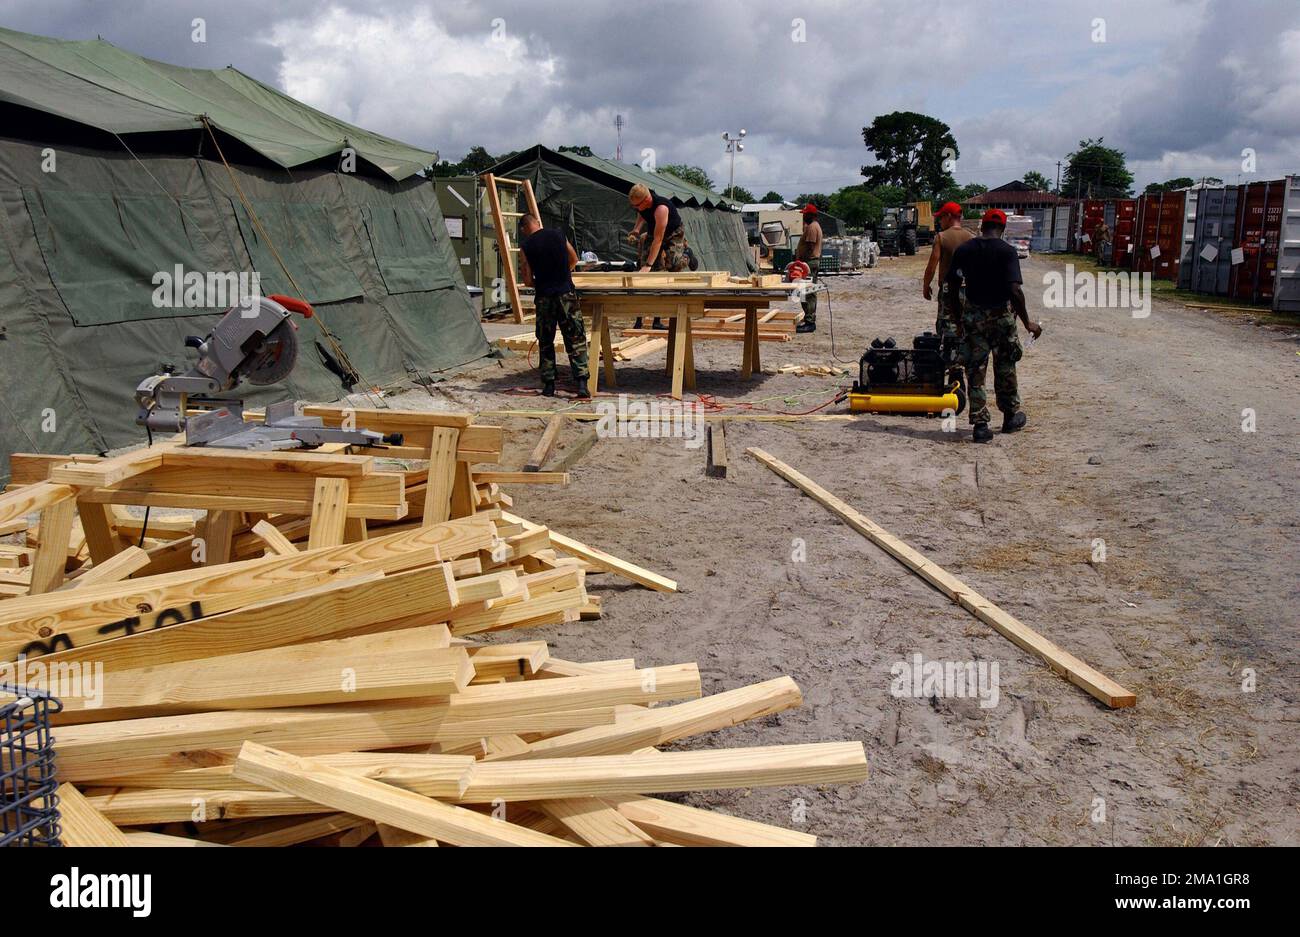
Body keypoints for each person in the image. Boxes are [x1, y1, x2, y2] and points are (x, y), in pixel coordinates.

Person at [944, 209, 1044, 443]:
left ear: (982, 225)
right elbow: (1015, 290)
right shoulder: (1007, 252)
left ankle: (980, 425)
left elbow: (952, 285)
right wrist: (1027, 322)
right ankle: (1009, 417)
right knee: (1006, 366)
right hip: (1001, 318)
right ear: (1004, 227)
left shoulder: (965, 250)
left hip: (973, 318)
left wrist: (958, 321)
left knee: (975, 370)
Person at [518, 214, 589, 398]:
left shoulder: (526, 246)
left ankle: (549, 385)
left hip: (544, 297)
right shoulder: (558, 235)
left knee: (546, 341)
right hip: (566, 294)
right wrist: (563, 274)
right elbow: (573, 258)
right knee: (575, 337)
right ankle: (581, 383)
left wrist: (541, 282)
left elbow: (526, 279)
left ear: (524, 228)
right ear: (538, 223)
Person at [627, 183, 690, 330]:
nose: (636, 208)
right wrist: (636, 229)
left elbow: (659, 240)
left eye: (637, 205)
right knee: (643, 272)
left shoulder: (661, 208)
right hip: (655, 232)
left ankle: (687, 254)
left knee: (672, 265)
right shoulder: (643, 205)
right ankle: (639, 320)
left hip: (673, 233)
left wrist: (648, 265)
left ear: (646, 200)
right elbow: (642, 214)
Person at [922, 201, 974, 347]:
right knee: (967, 323)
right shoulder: (970, 237)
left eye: (941, 217)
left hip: (948, 289)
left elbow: (932, 266)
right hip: (968, 289)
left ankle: (951, 363)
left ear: (949, 216)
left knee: (947, 326)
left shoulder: (941, 237)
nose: (939, 221)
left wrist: (926, 286)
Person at [794, 204, 823, 333]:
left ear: (811, 215)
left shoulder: (812, 228)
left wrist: (801, 263)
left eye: (805, 214)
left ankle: (810, 322)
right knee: (805, 292)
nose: (803, 216)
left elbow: (810, 247)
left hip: (809, 262)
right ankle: (809, 319)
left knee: (807, 292)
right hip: (809, 262)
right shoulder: (812, 226)